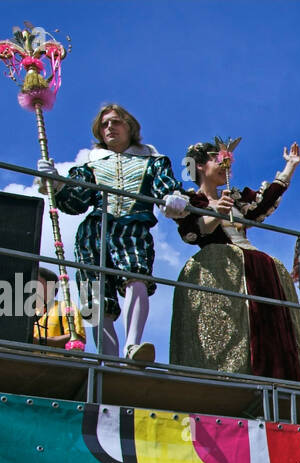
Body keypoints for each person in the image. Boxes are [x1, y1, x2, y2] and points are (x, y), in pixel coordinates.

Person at [37, 104, 189, 361]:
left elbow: (166, 187)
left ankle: (132, 347)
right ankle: (107, 356)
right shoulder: (90, 164)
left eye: (116, 122)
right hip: (94, 231)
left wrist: (173, 197)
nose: (110, 127)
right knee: (95, 296)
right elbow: (76, 201)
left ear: (130, 127)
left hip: (132, 226)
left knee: (136, 274)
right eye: (104, 124)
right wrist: (57, 183)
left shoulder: (152, 160)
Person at [171, 139, 300, 380]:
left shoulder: (235, 197)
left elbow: (263, 203)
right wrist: (215, 213)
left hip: (259, 268)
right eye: (216, 159)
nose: (225, 166)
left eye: (227, 162)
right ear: (200, 165)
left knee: (268, 330)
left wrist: (290, 167)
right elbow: (192, 232)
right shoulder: (190, 200)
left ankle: (278, 381)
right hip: (221, 267)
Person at [30, 266, 85, 349]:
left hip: (56, 361)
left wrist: (38, 342)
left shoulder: (65, 306)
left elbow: (77, 338)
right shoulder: (26, 312)